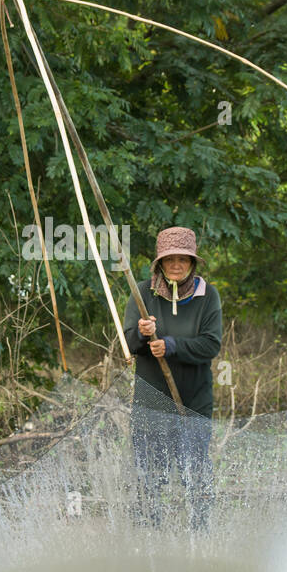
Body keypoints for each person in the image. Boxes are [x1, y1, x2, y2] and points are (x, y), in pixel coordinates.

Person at [121, 226, 222, 529]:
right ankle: (151, 540)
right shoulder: (142, 294)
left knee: (196, 476)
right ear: (159, 264)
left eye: (183, 259)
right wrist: (142, 333)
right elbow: (127, 344)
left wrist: (171, 345)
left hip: (194, 403)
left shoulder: (208, 296)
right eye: (169, 259)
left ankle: (199, 537)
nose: (176, 265)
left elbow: (211, 344)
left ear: (193, 263)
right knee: (150, 479)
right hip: (150, 404)